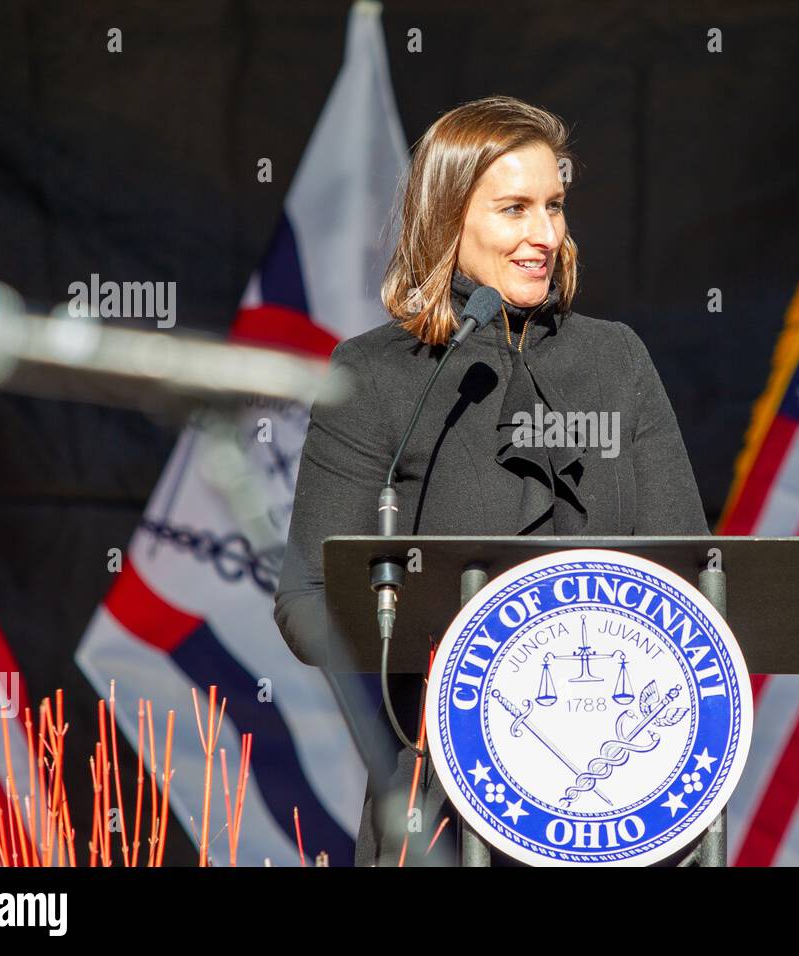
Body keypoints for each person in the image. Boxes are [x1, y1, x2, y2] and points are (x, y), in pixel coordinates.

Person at [273, 95, 707, 865]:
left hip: (624, 799)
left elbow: (693, 578)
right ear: (447, 220)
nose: (544, 235)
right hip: (443, 794)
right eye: (514, 210)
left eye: (554, 207)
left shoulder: (616, 360)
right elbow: (307, 599)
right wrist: (455, 649)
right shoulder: (373, 375)